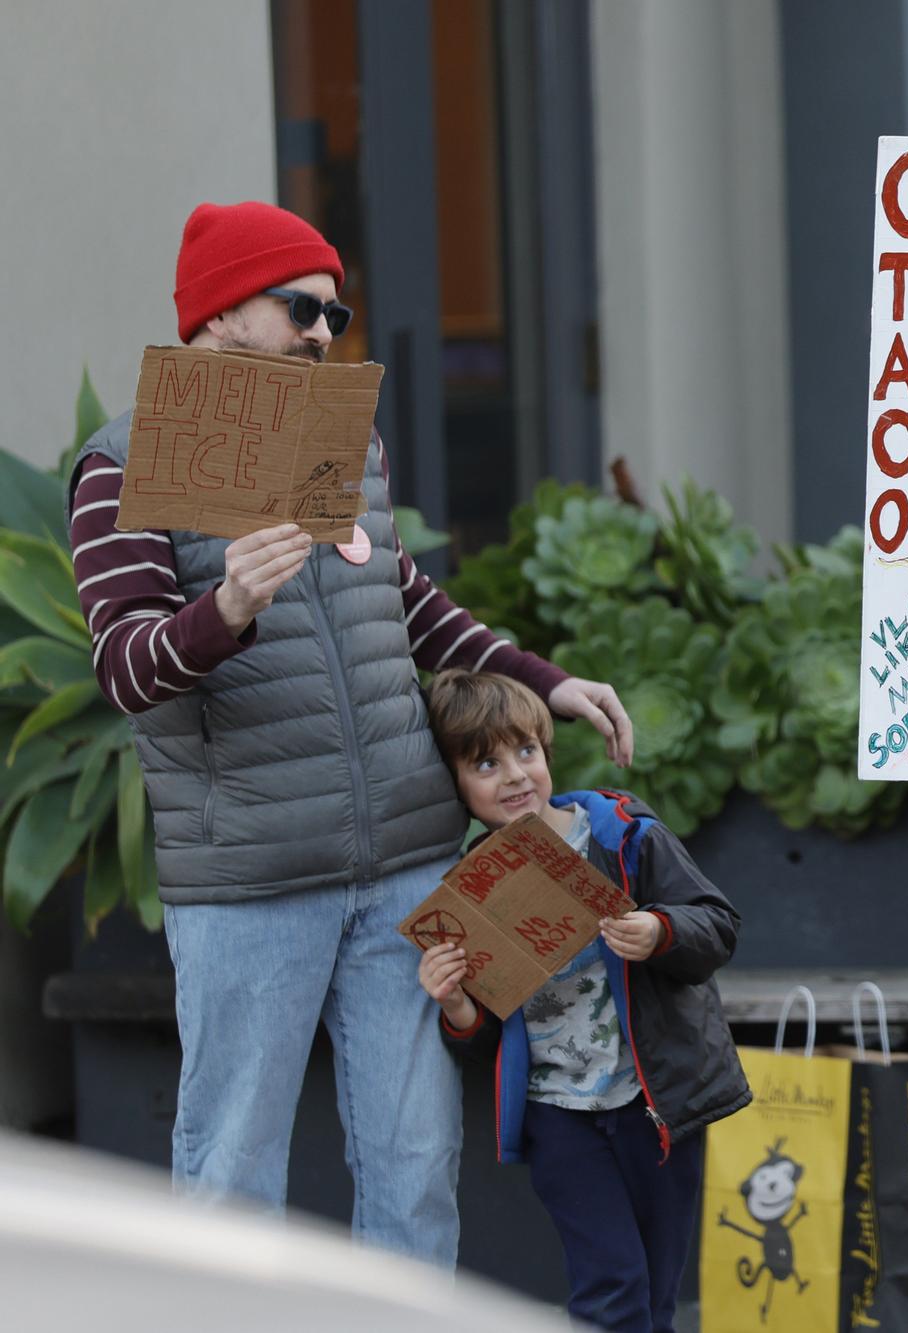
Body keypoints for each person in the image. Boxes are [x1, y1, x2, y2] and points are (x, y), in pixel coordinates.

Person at [66, 200, 634, 1264]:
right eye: (301, 308)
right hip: (251, 879)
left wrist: (542, 679)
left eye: (337, 310)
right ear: (222, 312)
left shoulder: (340, 440)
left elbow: (406, 601)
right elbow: (125, 670)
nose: (325, 332)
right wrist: (225, 606)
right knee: (231, 1178)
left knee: (416, 1168)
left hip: (403, 865)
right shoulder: (122, 461)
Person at [418, 671, 747, 1333]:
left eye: (526, 751)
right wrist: (455, 1003)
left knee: (655, 1290)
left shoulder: (623, 835)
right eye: (485, 762)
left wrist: (659, 930)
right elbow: (486, 1035)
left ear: (547, 751)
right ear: (453, 785)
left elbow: (718, 924)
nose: (514, 774)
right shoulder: (472, 887)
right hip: (559, 1117)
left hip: (653, 1106)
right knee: (611, 1285)